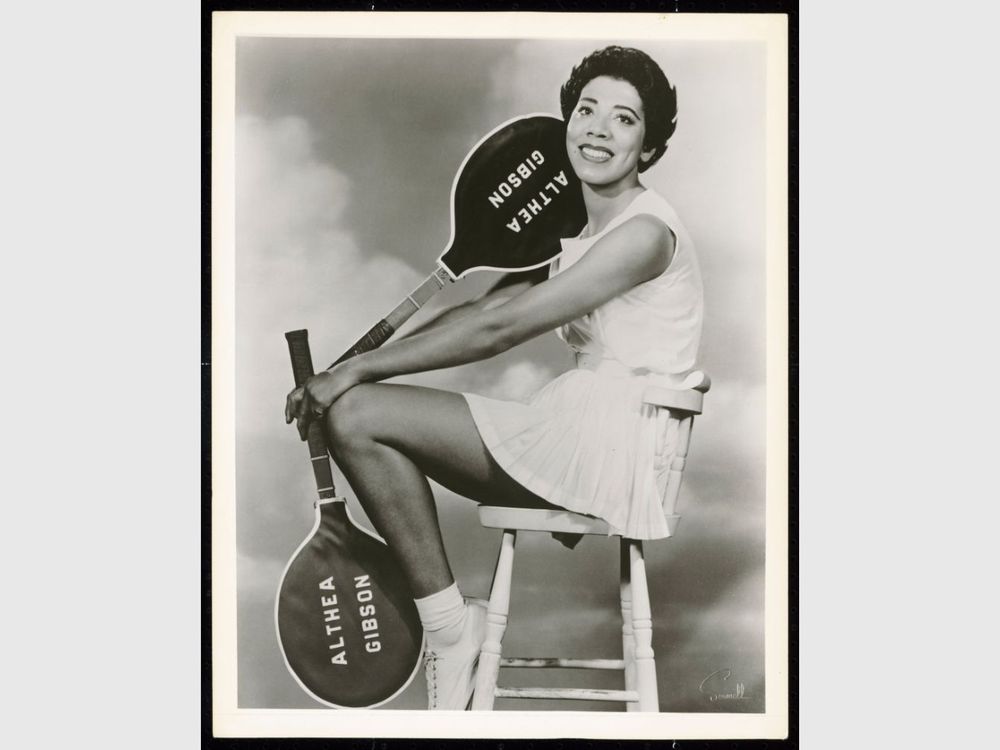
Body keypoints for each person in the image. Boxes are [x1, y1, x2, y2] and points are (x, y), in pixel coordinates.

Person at [285, 46, 703, 710]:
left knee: (357, 415)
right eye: (586, 110)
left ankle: (451, 630)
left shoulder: (643, 235)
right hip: (587, 435)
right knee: (355, 405)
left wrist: (356, 372)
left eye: (623, 120)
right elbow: (484, 307)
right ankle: (454, 626)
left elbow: (501, 332)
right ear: (566, 122)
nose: (597, 129)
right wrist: (344, 372)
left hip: (609, 449)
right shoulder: (588, 232)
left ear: (647, 149)